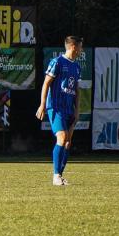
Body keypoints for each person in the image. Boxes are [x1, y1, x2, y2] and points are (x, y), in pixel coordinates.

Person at [38, 35, 85, 186]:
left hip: (69, 109)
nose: (81, 49)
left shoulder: (77, 67)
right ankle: (56, 176)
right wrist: (42, 104)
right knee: (62, 137)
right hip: (56, 107)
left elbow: (77, 91)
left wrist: (77, 110)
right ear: (73, 47)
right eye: (80, 46)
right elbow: (46, 83)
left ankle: (60, 176)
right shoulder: (57, 62)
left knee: (67, 143)